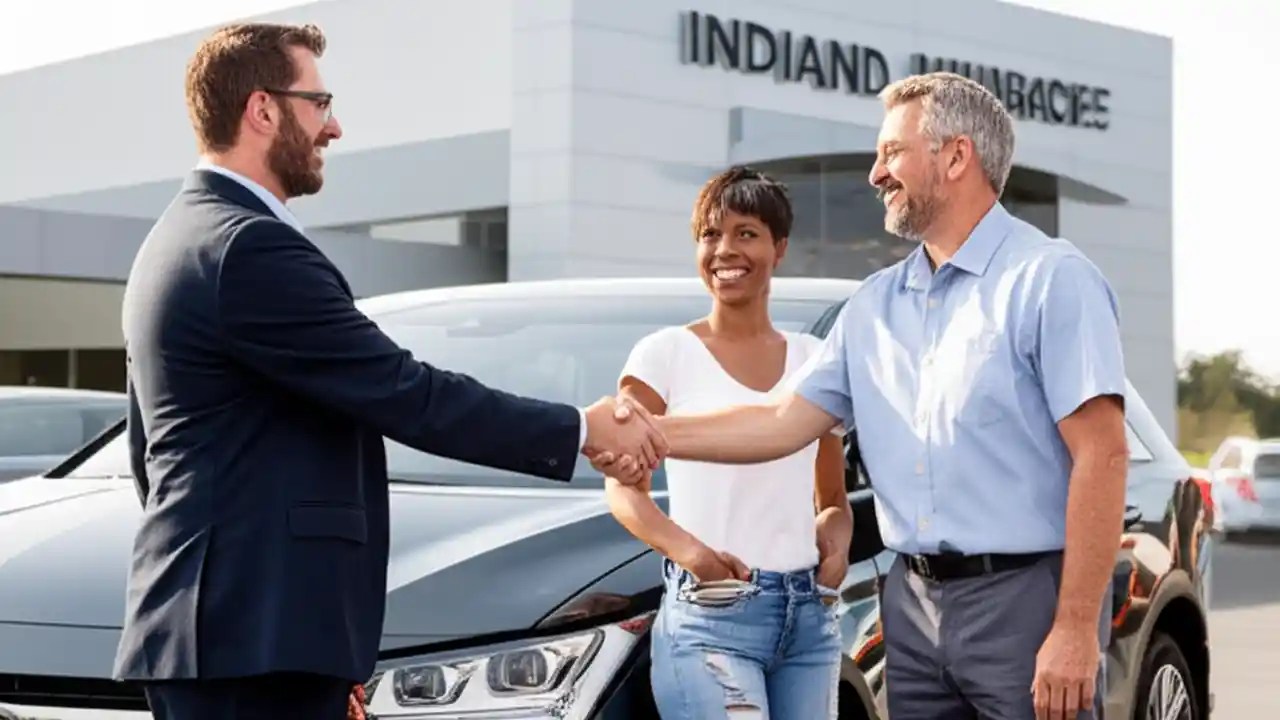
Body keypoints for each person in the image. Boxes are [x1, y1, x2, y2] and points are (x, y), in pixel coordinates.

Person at [115, 23, 662, 720]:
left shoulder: (177, 238)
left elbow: (151, 457)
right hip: (254, 645)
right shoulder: (249, 248)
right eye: (319, 103)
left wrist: (322, 641)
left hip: (242, 634)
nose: (334, 126)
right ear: (262, 109)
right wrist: (579, 428)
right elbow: (404, 392)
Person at [595, 71, 1129, 720]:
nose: (876, 174)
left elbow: (1101, 455)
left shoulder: (1051, 280)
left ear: (956, 156)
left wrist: (1074, 628)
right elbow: (780, 421)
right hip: (913, 609)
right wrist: (646, 430)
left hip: (1025, 599)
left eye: (891, 152)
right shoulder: (875, 305)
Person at [602, 166, 852, 718]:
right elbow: (623, 489)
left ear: (779, 247)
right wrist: (694, 557)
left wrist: (837, 537)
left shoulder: (814, 359)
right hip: (712, 616)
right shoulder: (663, 354)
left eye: (746, 233)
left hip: (809, 621)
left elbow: (830, 498)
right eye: (711, 235)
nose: (724, 250)